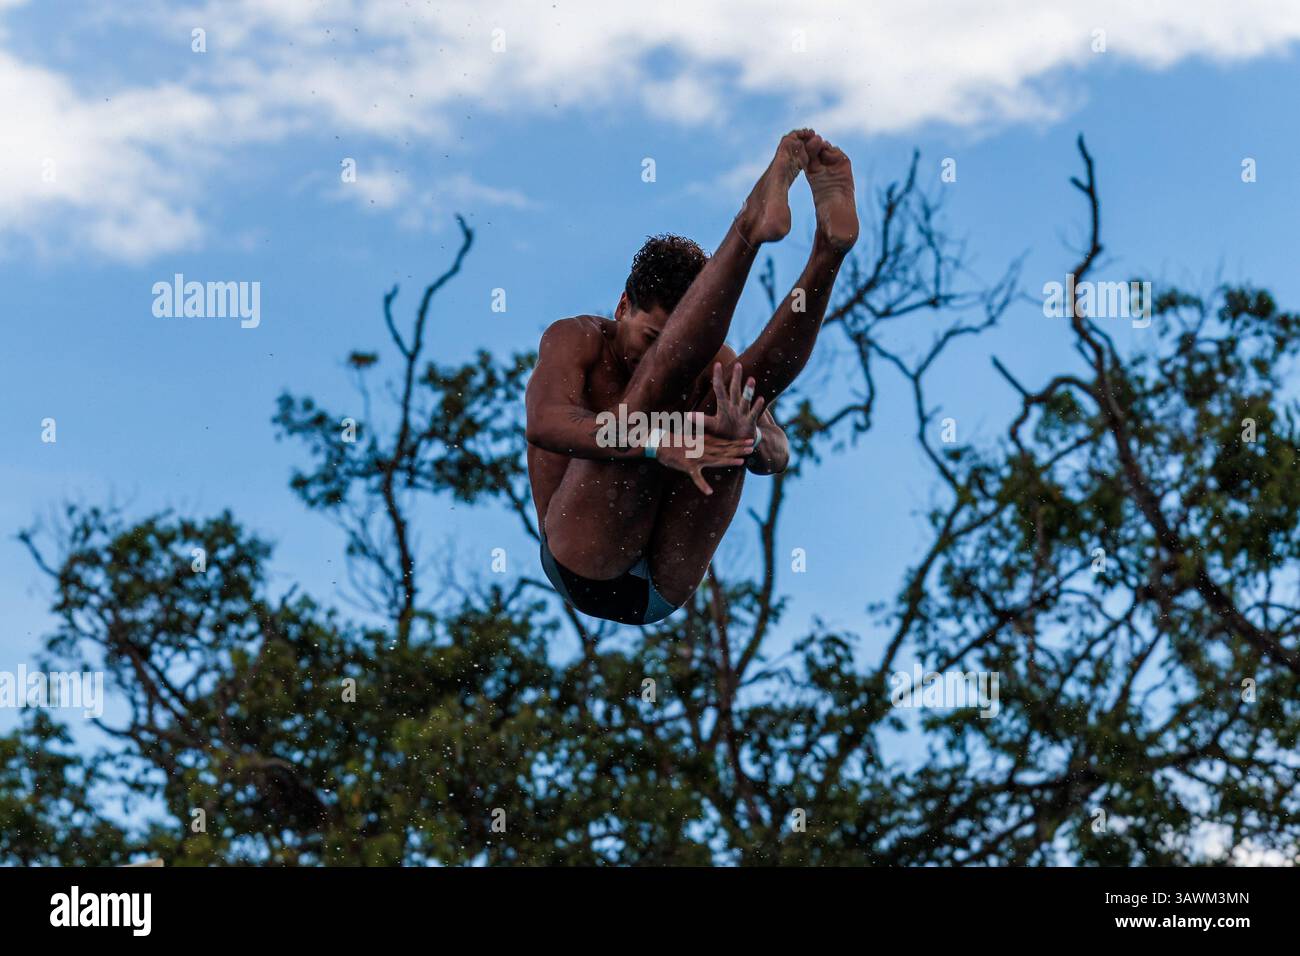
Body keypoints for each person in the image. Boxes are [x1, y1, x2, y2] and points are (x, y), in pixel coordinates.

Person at [525, 129, 858, 625]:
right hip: (584, 561)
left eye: (675, 340)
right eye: (649, 337)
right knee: (645, 405)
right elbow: (546, 425)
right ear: (622, 306)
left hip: (661, 583)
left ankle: (828, 253)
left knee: (737, 398)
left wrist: (752, 440)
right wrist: (655, 442)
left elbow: (779, 454)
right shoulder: (577, 339)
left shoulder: (712, 361)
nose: (655, 354)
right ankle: (748, 227)